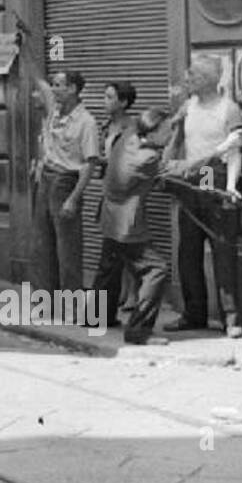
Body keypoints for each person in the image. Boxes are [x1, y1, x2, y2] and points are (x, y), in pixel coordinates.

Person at [163, 53, 242, 338]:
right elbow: (178, 142)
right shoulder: (188, 106)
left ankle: (231, 318)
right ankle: (193, 313)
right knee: (188, 252)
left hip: (218, 180)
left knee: (223, 251)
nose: (187, 80)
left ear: (209, 80)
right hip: (191, 182)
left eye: (193, 76)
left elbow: (234, 152)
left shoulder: (229, 109)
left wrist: (233, 186)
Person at [93, 89, 170, 344]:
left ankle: (98, 318)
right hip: (128, 224)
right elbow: (179, 169)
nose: (170, 135)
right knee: (156, 270)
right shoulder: (147, 158)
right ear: (154, 132)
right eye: (167, 130)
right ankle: (138, 331)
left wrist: (177, 117)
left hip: (109, 217)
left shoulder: (128, 137)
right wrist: (220, 149)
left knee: (109, 265)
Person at [32, 70, 101, 308]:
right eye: (53, 84)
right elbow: (40, 87)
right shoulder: (55, 114)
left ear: (73, 89)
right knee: (43, 243)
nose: (54, 89)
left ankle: (71, 304)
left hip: (66, 181)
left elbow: (89, 164)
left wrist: (74, 198)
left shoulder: (86, 122)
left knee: (67, 247)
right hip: (46, 178)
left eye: (60, 85)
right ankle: (45, 301)